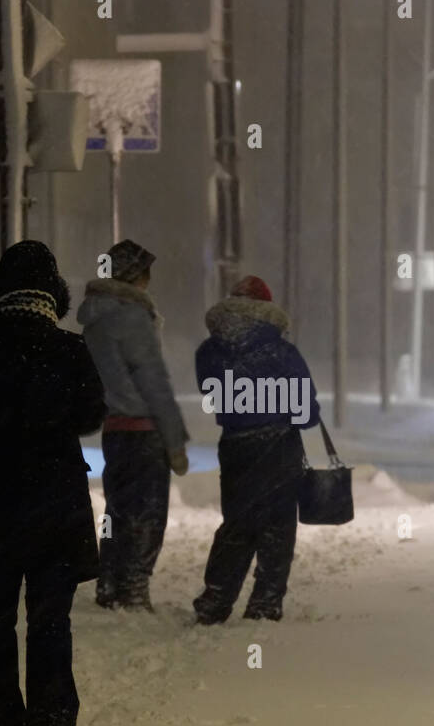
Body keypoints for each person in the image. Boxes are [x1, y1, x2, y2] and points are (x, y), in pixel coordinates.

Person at [0, 241, 106, 726]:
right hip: (54, 502)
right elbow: (91, 415)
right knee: (50, 614)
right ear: (52, 292)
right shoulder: (71, 348)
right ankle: (52, 717)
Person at [192, 275, 320, 624]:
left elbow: (212, 392)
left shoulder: (209, 351)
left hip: (235, 446)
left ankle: (215, 600)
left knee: (236, 522)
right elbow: (306, 412)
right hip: (279, 446)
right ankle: (265, 603)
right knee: (278, 525)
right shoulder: (282, 351)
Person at [76, 239, 189, 613]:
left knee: (118, 508)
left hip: (114, 429)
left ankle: (109, 581)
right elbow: (153, 381)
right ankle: (135, 586)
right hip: (145, 429)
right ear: (136, 277)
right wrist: (174, 441)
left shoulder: (93, 320)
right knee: (149, 512)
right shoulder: (132, 317)